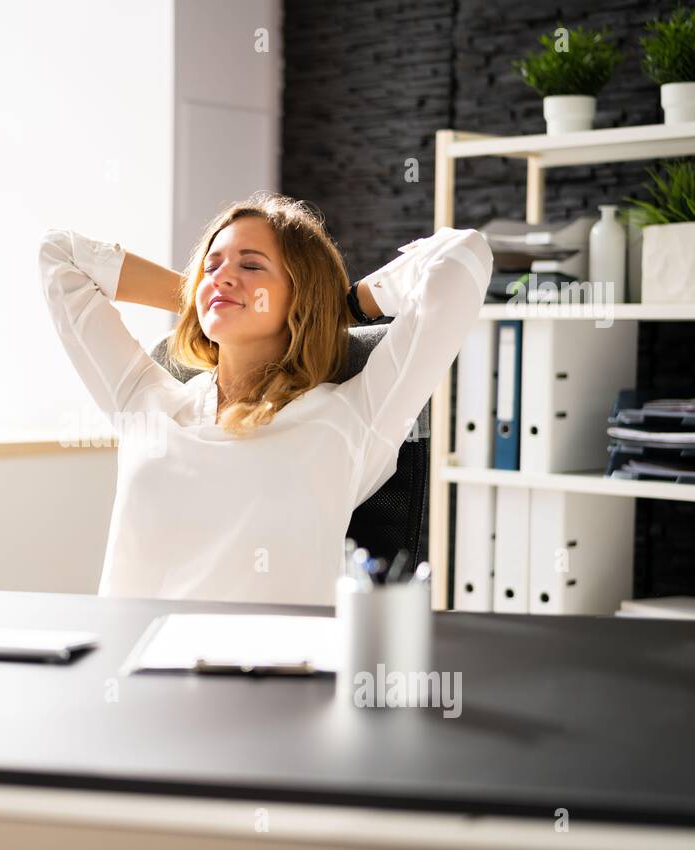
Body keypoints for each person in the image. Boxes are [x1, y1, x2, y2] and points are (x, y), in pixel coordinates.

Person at [37, 191, 492, 605]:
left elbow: (463, 255)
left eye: (251, 265)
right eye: (211, 265)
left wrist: (343, 306)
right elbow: (59, 255)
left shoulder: (353, 416)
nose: (224, 276)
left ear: (302, 296)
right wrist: (202, 298)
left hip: (275, 679)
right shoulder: (147, 403)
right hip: (136, 672)